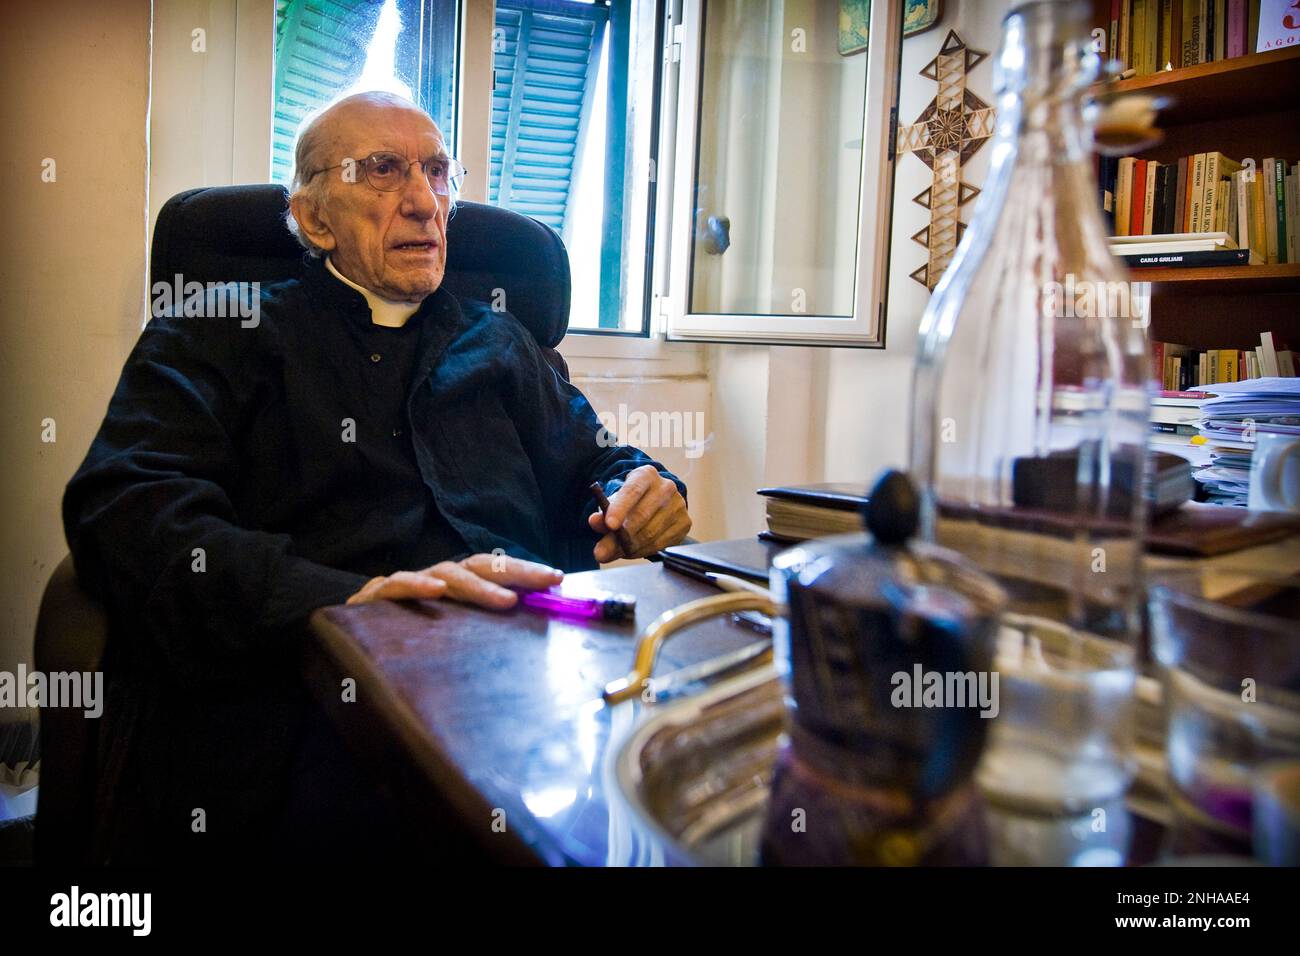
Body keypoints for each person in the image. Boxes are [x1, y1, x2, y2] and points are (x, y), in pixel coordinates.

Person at [62, 91, 691, 862]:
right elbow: (125, 507)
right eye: (385, 171)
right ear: (315, 219)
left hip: (534, 688)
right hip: (309, 700)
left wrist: (643, 486)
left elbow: (598, 460)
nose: (426, 203)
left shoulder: (501, 341)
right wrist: (346, 602)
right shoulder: (217, 328)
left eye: (437, 173)